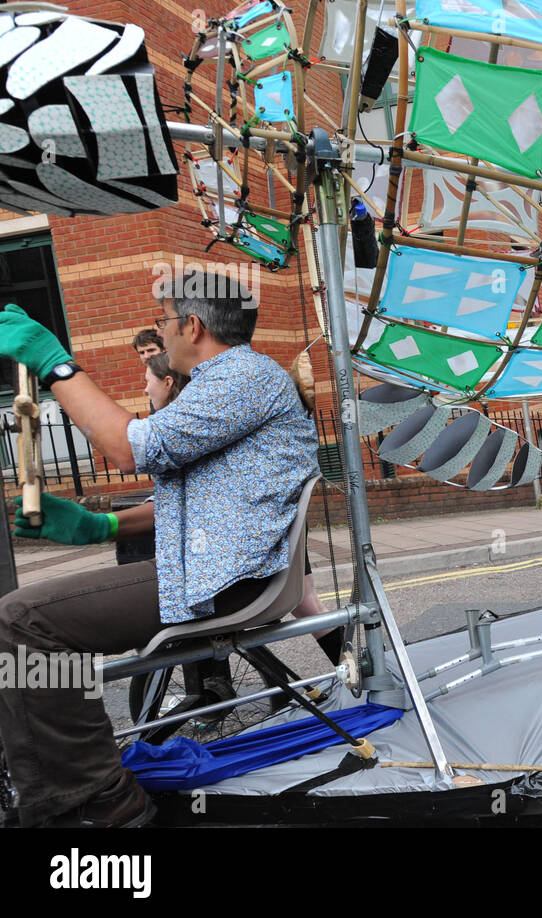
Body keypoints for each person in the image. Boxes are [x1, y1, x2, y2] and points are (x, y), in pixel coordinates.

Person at [0, 271, 319, 826]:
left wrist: (56, 363)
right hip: (217, 571)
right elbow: (192, 497)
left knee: (22, 620)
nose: (161, 335)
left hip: (223, 582)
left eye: (165, 323)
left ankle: (98, 800)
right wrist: (99, 528)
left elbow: (130, 449)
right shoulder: (232, 382)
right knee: (31, 626)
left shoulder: (241, 376)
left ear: (193, 325)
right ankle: (70, 782)